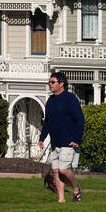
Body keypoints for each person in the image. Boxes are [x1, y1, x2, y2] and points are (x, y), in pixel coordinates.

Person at [38, 71, 84, 204]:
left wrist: (77, 139)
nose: (50, 84)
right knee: (57, 171)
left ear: (61, 84)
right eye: (49, 82)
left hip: (68, 141)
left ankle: (76, 188)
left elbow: (80, 119)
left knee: (64, 170)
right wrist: (42, 138)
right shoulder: (50, 101)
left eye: (52, 82)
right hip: (55, 142)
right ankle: (61, 200)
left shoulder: (70, 99)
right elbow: (47, 122)